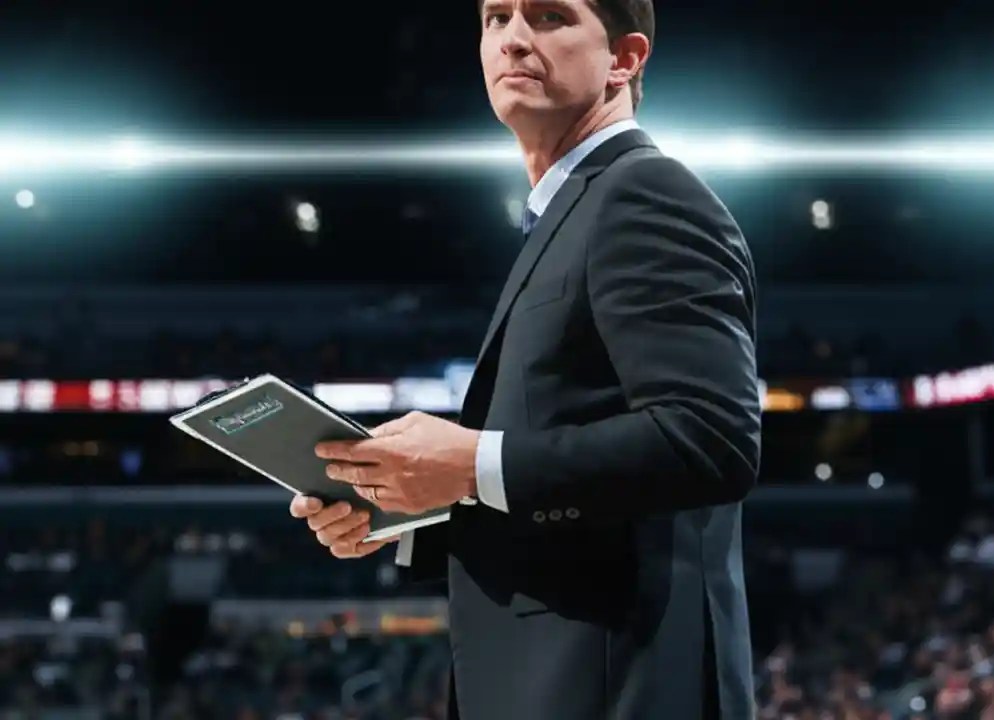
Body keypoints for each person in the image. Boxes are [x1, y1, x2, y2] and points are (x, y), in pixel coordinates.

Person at [289, 1, 762, 718]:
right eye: (494, 17)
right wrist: (398, 505)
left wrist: (471, 463)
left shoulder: (643, 193)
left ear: (624, 59)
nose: (512, 38)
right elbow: (566, 475)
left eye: (547, 16)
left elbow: (710, 437)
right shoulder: (573, 210)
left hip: (618, 690)